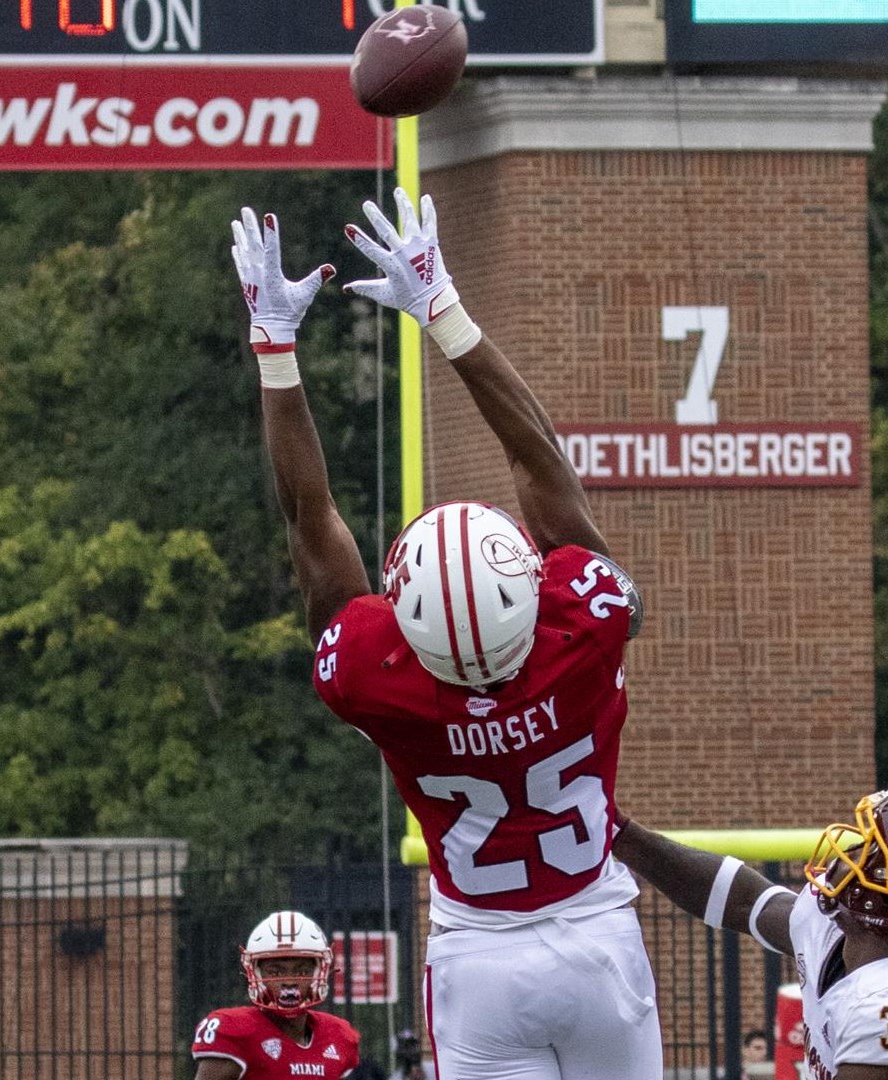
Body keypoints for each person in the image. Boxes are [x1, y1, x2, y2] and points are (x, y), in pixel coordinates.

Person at [233, 188, 660, 1079]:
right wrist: (442, 311)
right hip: (598, 936)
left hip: (480, 957)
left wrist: (276, 349)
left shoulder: (378, 673)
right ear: (527, 587)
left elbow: (312, 525)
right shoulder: (581, 625)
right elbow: (540, 460)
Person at [612, 782, 888, 1080]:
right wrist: (619, 834)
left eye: (874, 851)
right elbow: (744, 901)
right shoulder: (845, 934)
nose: (852, 853)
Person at [189, 911, 361, 1080]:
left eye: (301, 971)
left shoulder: (338, 1035)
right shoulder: (235, 1030)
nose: (289, 982)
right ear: (255, 974)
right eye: (275, 972)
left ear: (320, 973)